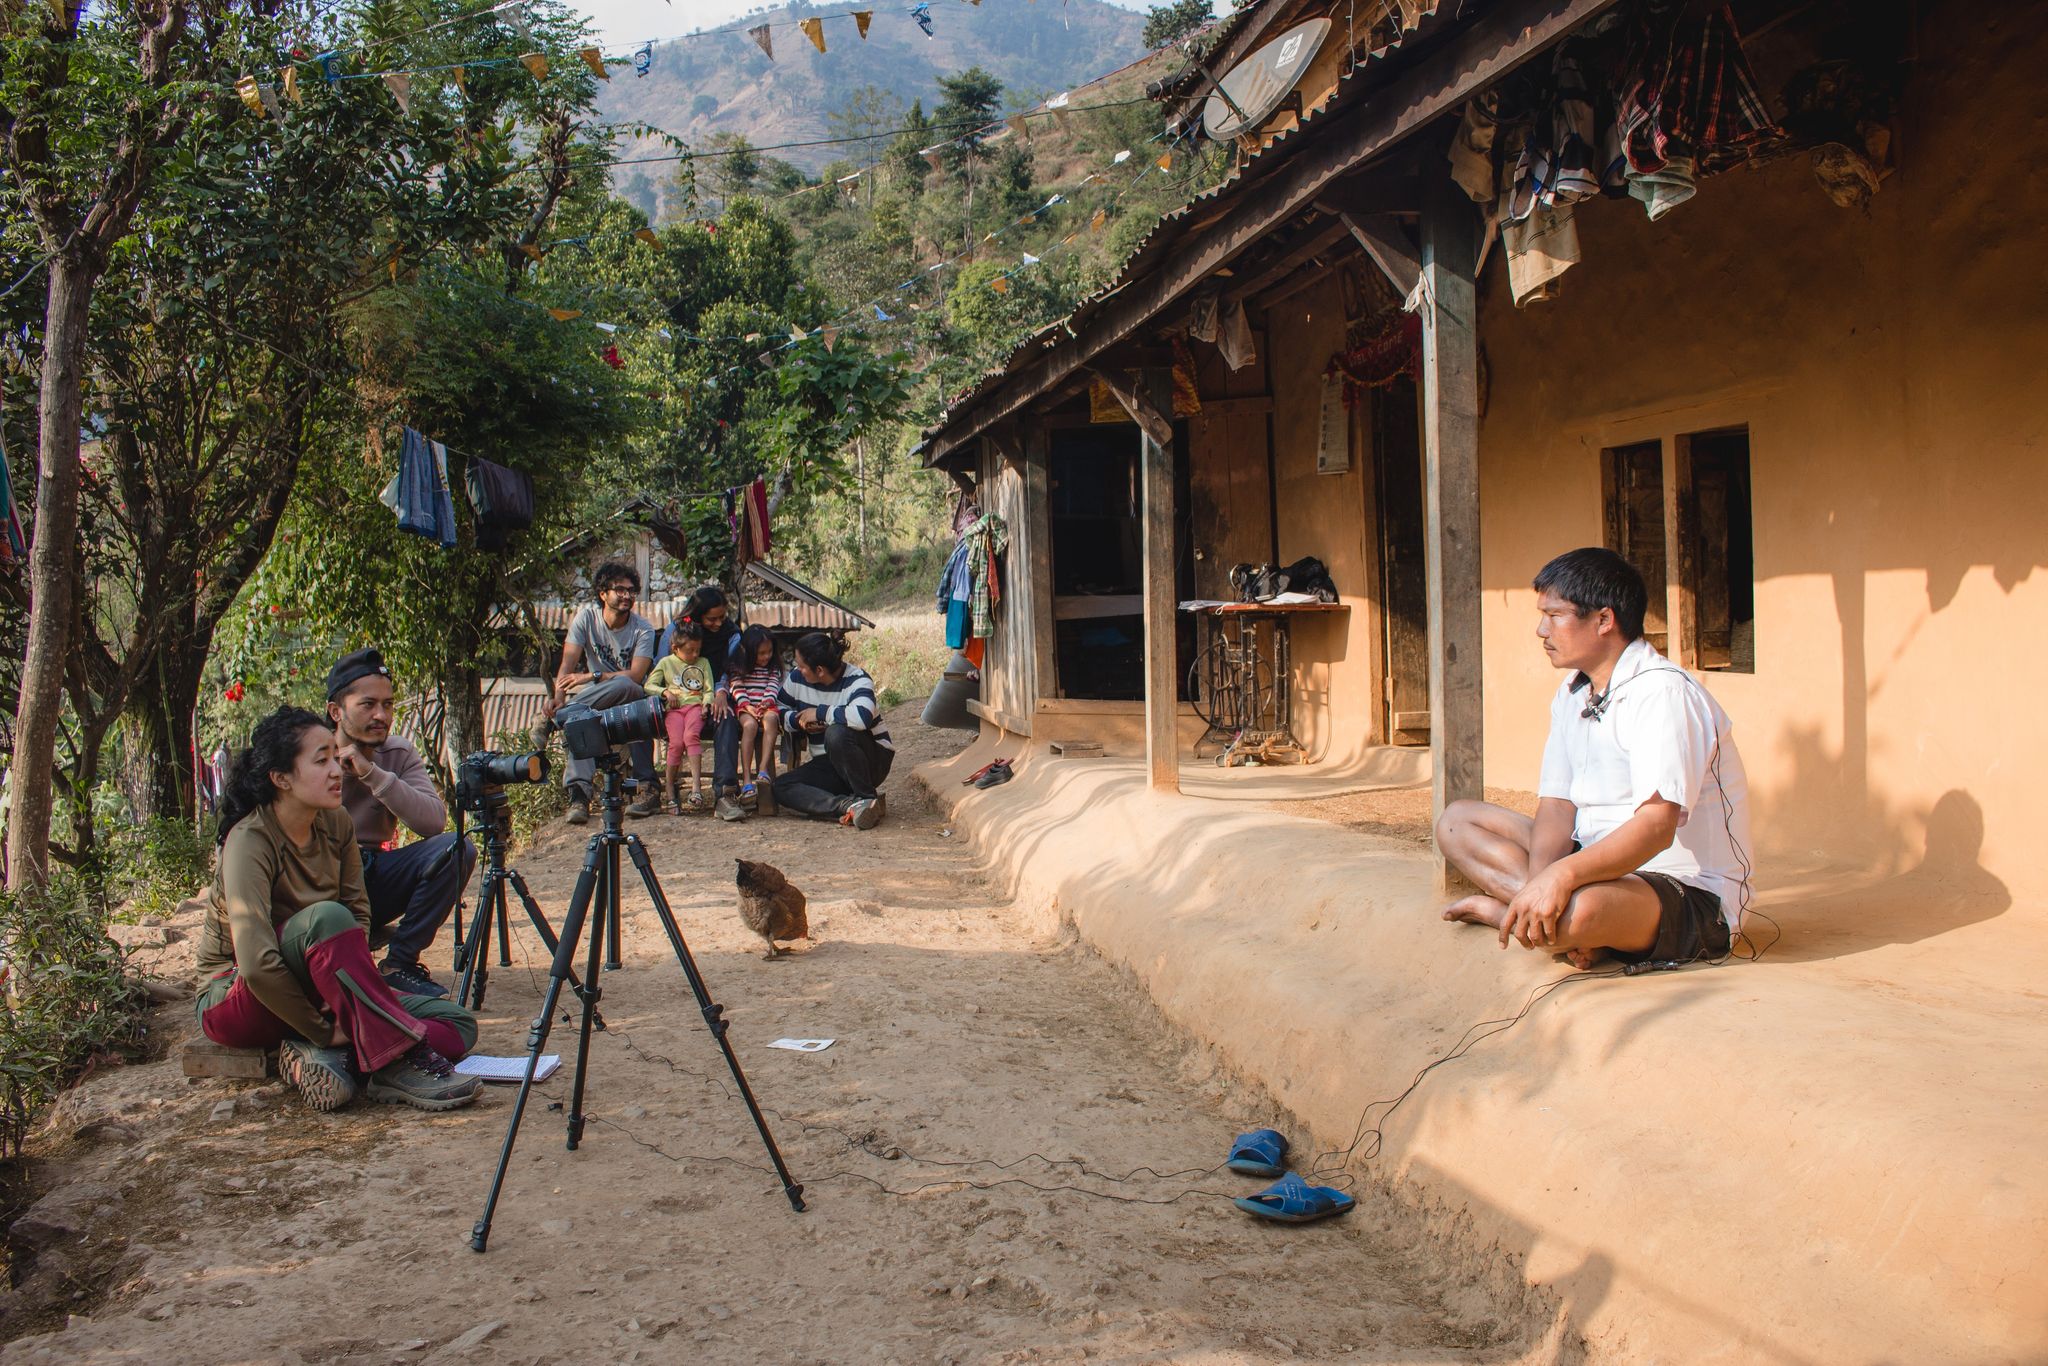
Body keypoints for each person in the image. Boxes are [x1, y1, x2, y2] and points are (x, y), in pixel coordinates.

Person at [1436, 547, 1753, 969]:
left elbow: (1657, 828)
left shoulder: (1662, 693)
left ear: (1604, 620)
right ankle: (1541, 918)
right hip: (1599, 865)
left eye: (1555, 615)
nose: (1540, 630)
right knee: (1458, 822)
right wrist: (1541, 882)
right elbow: (1557, 805)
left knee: (1581, 909)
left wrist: (1562, 877)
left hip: (1686, 891)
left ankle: (1510, 914)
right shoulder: (1573, 691)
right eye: (1541, 615)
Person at [193, 706, 481, 1112]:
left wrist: (346, 995)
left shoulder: (337, 822)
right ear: (280, 778)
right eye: (321, 760)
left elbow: (359, 914)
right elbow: (256, 964)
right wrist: (323, 1029)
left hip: (320, 987)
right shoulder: (249, 841)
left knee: (457, 1025)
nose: (337, 770)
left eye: (335, 756)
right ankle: (384, 1059)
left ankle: (341, 1057)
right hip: (238, 996)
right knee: (328, 917)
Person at [325, 647, 473, 999]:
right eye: (368, 704)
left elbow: (432, 822)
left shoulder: (397, 753)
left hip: (376, 875)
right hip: (323, 881)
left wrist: (371, 774)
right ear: (335, 711)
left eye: (388, 704)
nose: (381, 715)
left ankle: (400, 963)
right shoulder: (312, 755)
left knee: (457, 847)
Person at [543, 562, 660, 823]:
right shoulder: (586, 619)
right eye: (619, 589)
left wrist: (593, 676)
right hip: (597, 699)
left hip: (628, 696)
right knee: (579, 719)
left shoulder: (643, 629)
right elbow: (567, 664)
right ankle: (579, 797)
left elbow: (636, 676)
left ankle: (647, 788)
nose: (627, 595)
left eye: (631, 590)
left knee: (630, 689)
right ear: (603, 593)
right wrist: (558, 699)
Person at [772, 632, 892, 829]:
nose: (797, 669)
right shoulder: (797, 679)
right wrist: (798, 720)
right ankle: (850, 806)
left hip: (871, 760)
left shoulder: (857, 680)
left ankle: (866, 796)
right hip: (829, 764)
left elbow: (862, 717)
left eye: (801, 666)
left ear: (819, 670)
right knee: (781, 786)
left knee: (836, 733)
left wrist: (820, 713)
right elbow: (777, 710)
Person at [662, 585, 749, 823]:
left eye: (722, 617)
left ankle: (725, 793)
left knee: (727, 717)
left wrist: (721, 691)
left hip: (713, 699)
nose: (718, 623)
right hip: (678, 704)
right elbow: (662, 668)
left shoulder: (731, 633)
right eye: (711, 619)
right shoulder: (676, 630)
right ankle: (665, 791)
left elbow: (731, 668)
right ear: (697, 615)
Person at [644, 621, 713, 813]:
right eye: (690, 650)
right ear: (675, 648)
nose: (695, 655)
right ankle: (670, 791)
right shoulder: (666, 663)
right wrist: (666, 692)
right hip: (673, 710)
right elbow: (649, 685)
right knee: (675, 744)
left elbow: (709, 689)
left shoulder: (703, 663)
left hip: (694, 707)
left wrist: (706, 704)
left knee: (691, 737)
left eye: (698, 650)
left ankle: (696, 789)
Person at [729, 624, 783, 800]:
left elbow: (773, 686)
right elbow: (737, 688)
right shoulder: (738, 667)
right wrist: (747, 705)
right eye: (761, 653)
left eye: (769, 652)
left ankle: (763, 769)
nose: (766, 656)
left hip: (767, 706)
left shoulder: (773, 668)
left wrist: (766, 703)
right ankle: (746, 777)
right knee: (750, 726)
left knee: (771, 720)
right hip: (746, 707)